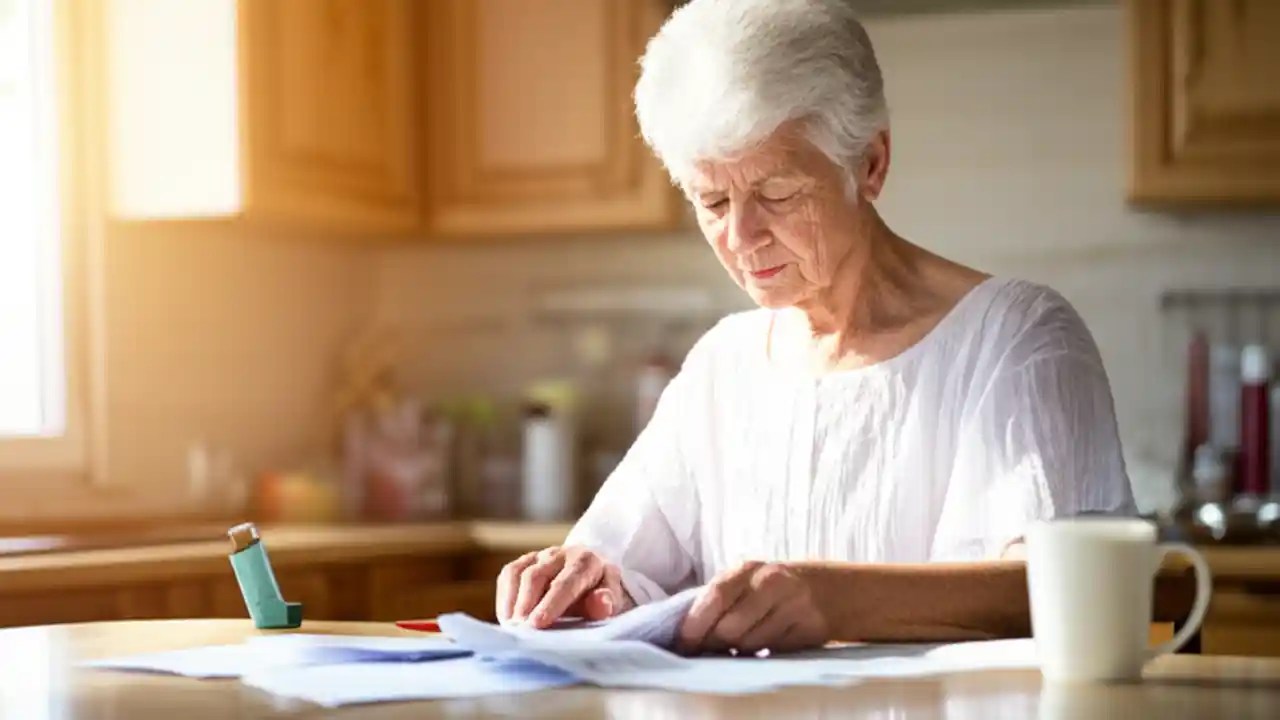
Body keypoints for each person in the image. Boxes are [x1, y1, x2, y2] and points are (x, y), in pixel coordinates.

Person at [496, 0, 1135, 654]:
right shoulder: (724, 366)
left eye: (776, 195)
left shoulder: (1016, 340)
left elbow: (1073, 587)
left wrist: (834, 599)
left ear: (871, 164)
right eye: (711, 201)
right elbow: (619, 564)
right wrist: (578, 580)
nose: (740, 236)